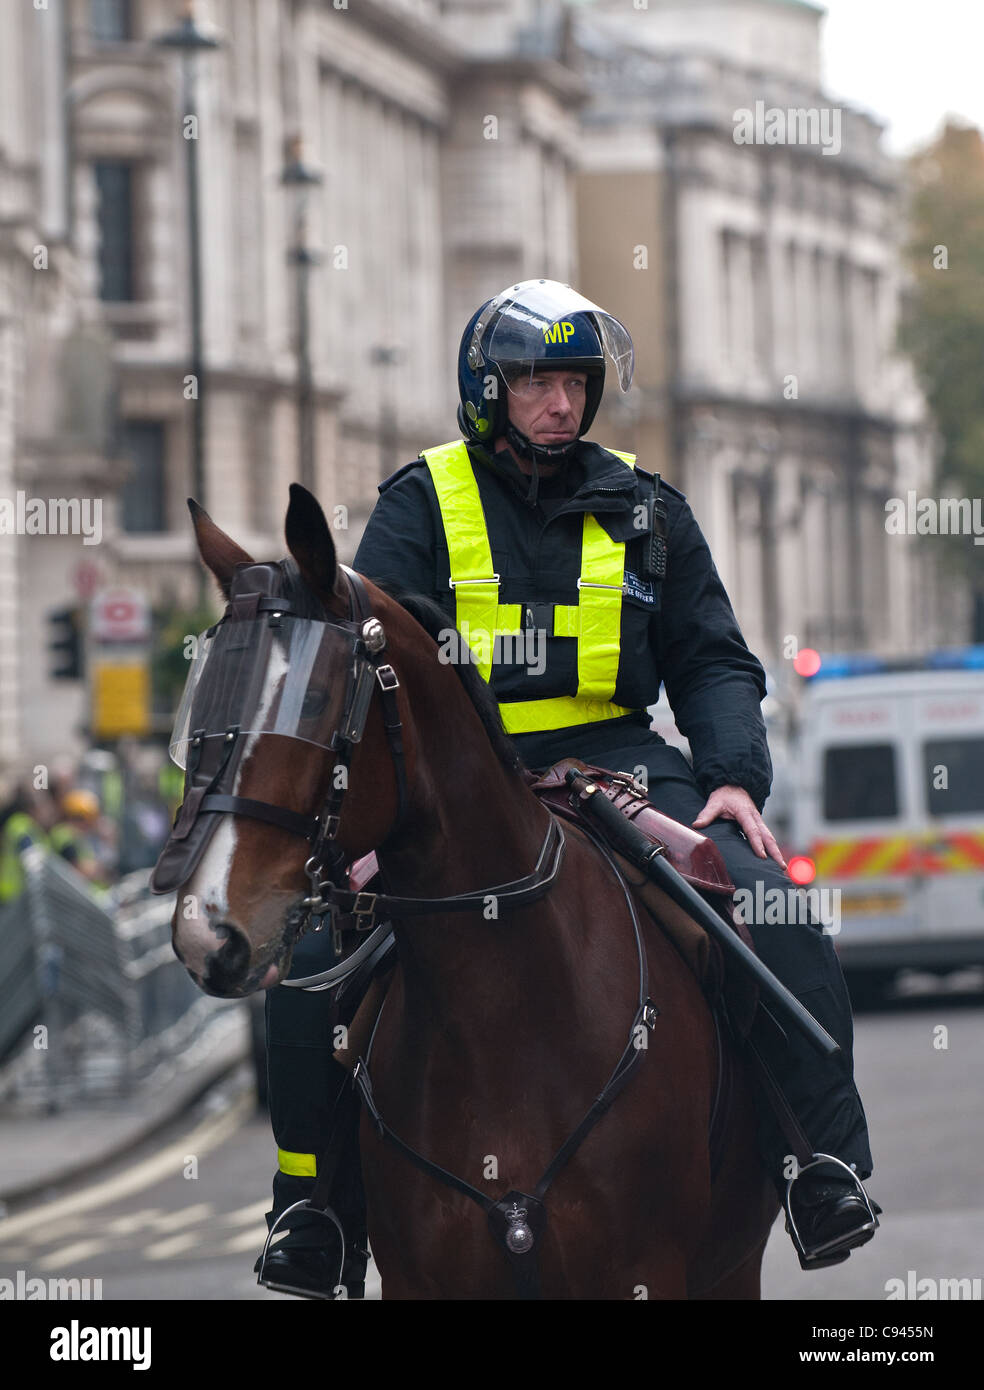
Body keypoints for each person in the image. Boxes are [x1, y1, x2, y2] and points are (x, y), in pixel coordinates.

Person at [257, 279, 878, 1297]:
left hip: (625, 765)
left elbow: (715, 659)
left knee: (774, 903)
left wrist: (729, 780)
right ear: (489, 390)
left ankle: (822, 1164)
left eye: (575, 384)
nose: (560, 403)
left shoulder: (649, 505)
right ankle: (311, 1212)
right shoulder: (424, 499)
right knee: (314, 959)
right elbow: (361, 648)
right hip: (460, 786)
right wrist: (367, 815)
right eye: (538, 382)